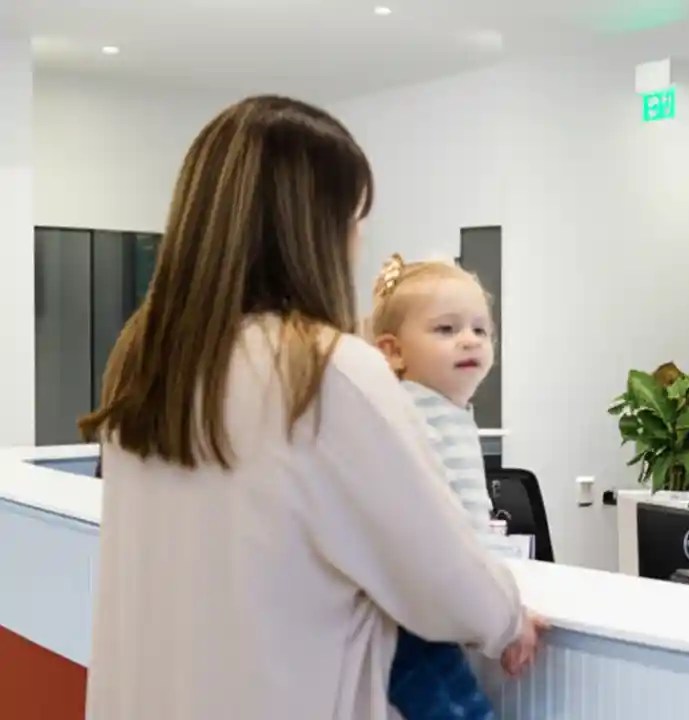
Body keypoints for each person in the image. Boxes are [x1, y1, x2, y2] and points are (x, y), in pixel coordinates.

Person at [79, 95, 544, 720]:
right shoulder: (323, 369)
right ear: (314, 230)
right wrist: (506, 616)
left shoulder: (148, 359)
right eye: (353, 220)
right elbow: (442, 575)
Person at [367, 254, 513, 720]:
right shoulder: (415, 411)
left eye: (480, 329)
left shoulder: (446, 413)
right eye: (446, 330)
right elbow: (443, 529)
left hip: (424, 615)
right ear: (392, 351)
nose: (469, 339)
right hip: (415, 624)